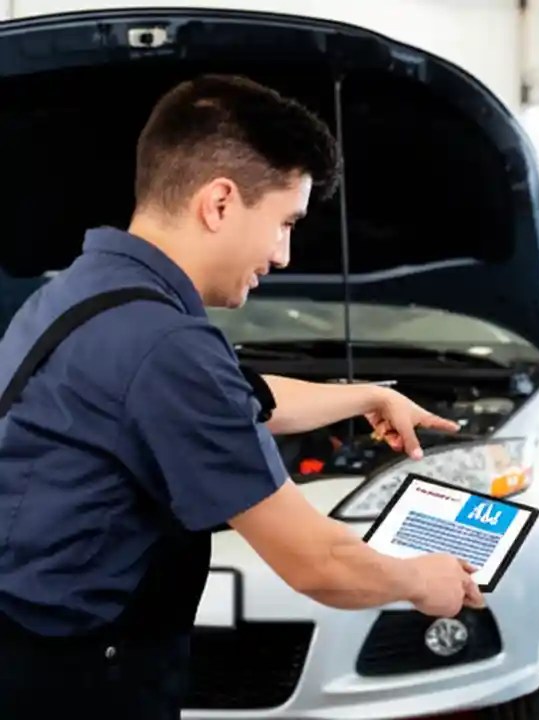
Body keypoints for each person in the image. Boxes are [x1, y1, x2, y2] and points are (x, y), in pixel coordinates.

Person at [0, 74, 483, 719]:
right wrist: (424, 581)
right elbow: (319, 563)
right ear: (220, 203)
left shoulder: (83, 290)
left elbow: (239, 396)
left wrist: (365, 395)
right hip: (73, 682)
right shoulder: (167, 344)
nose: (283, 254)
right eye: (284, 222)